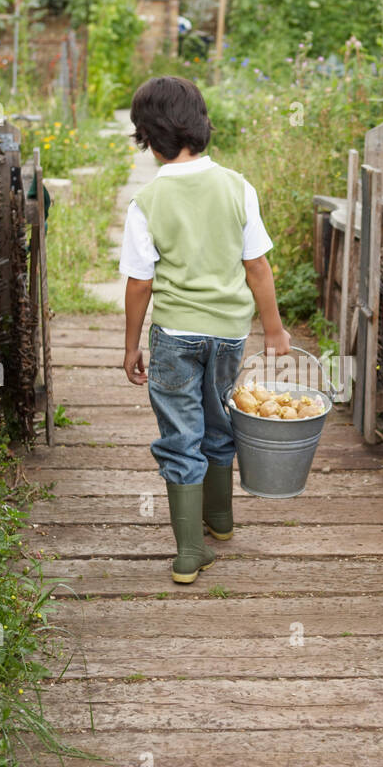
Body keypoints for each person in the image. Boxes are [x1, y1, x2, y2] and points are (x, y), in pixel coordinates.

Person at [120, 75, 291, 583]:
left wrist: (131, 346)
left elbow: (139, 284)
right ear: (200, 124)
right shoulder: (238, 187)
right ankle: (219, 518)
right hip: (230, 333)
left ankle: (189, 551)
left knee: (181, 433)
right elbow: (257, 266)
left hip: (175, 337)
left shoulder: (147, 202)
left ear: (149, 137)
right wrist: (275, 332)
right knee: (220, 419)